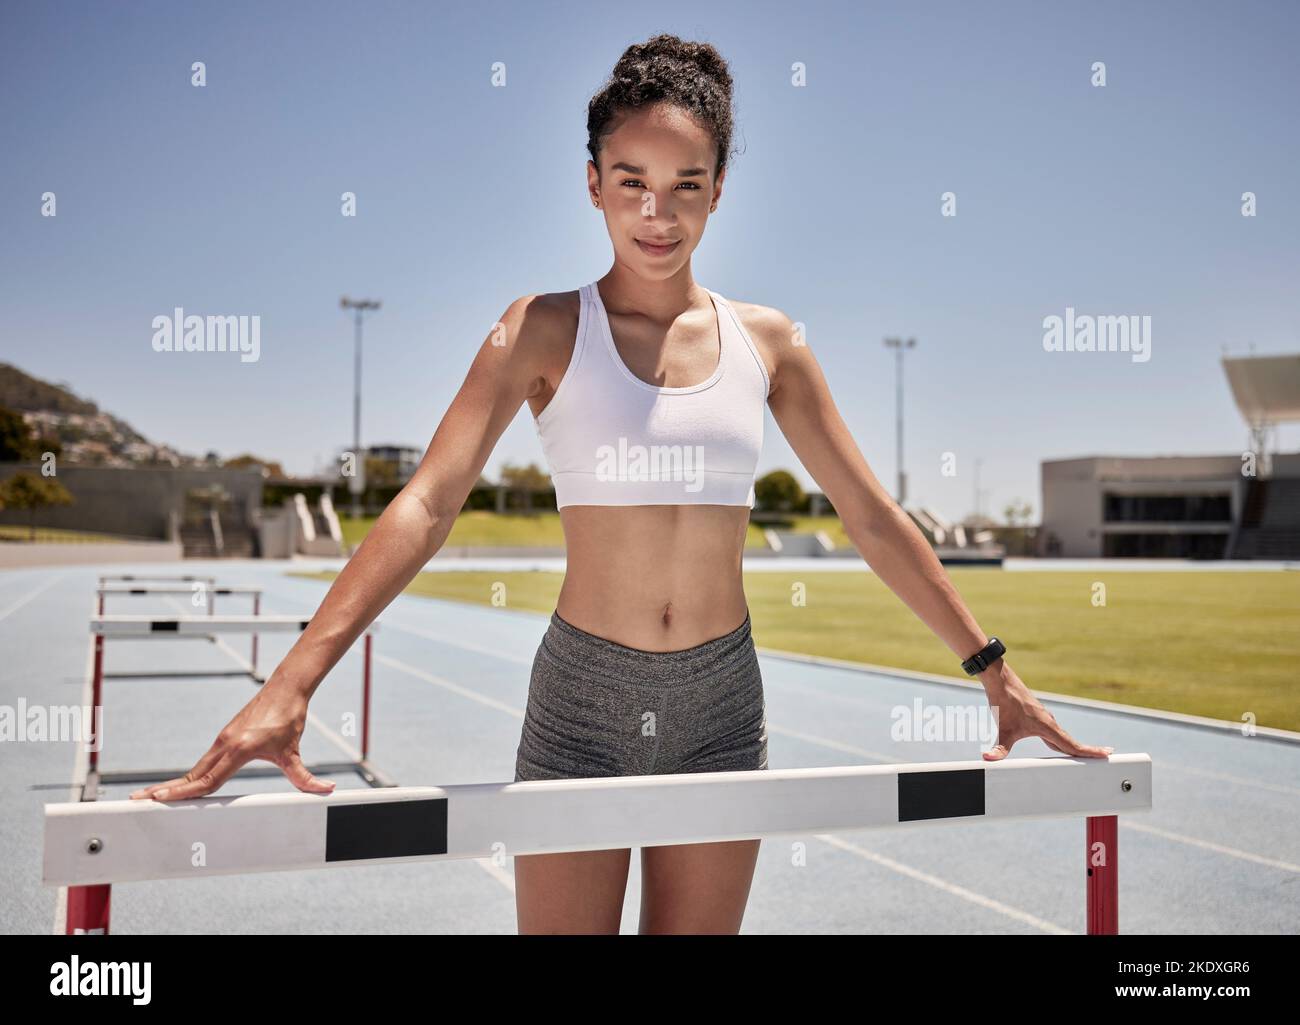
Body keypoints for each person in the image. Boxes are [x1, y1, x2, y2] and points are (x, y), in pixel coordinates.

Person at [131, 33, 1112, 934]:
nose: (658, 210)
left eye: (686, 183)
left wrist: (993, 667)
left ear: (721, 188)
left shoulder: (769, 343)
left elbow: (867, 511)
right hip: (582, 703)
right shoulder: (541, 329)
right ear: (592, 182)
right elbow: (426, 502)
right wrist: (292, 682)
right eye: (632, 180)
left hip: (723, 704)